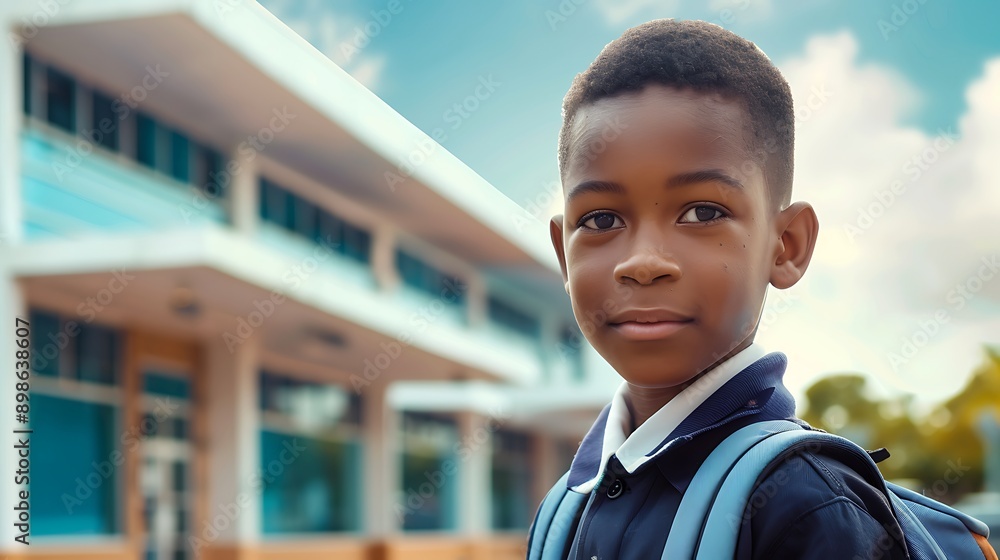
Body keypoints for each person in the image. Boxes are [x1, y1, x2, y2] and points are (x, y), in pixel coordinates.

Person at [533, 18, 917, 559]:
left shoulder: (809, 503)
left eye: (702, 211)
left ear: (785, 245)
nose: (643, 263)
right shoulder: (563, 508)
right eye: (599, 220)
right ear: (562, 254)